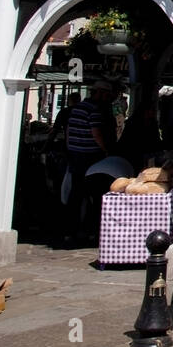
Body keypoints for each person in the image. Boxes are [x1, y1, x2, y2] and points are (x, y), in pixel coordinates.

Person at [63, 81, 117, 242]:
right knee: (95, 194)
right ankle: (91, 230)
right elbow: (96, 133)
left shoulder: (77, 108)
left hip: (76, 154)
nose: (108, 99)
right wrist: (106, 150)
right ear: (99, 93)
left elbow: (68, 131)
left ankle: (70, 231)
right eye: (107, 96)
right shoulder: (94, 109)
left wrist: (70, 148)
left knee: (76, 194)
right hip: (90, 156)